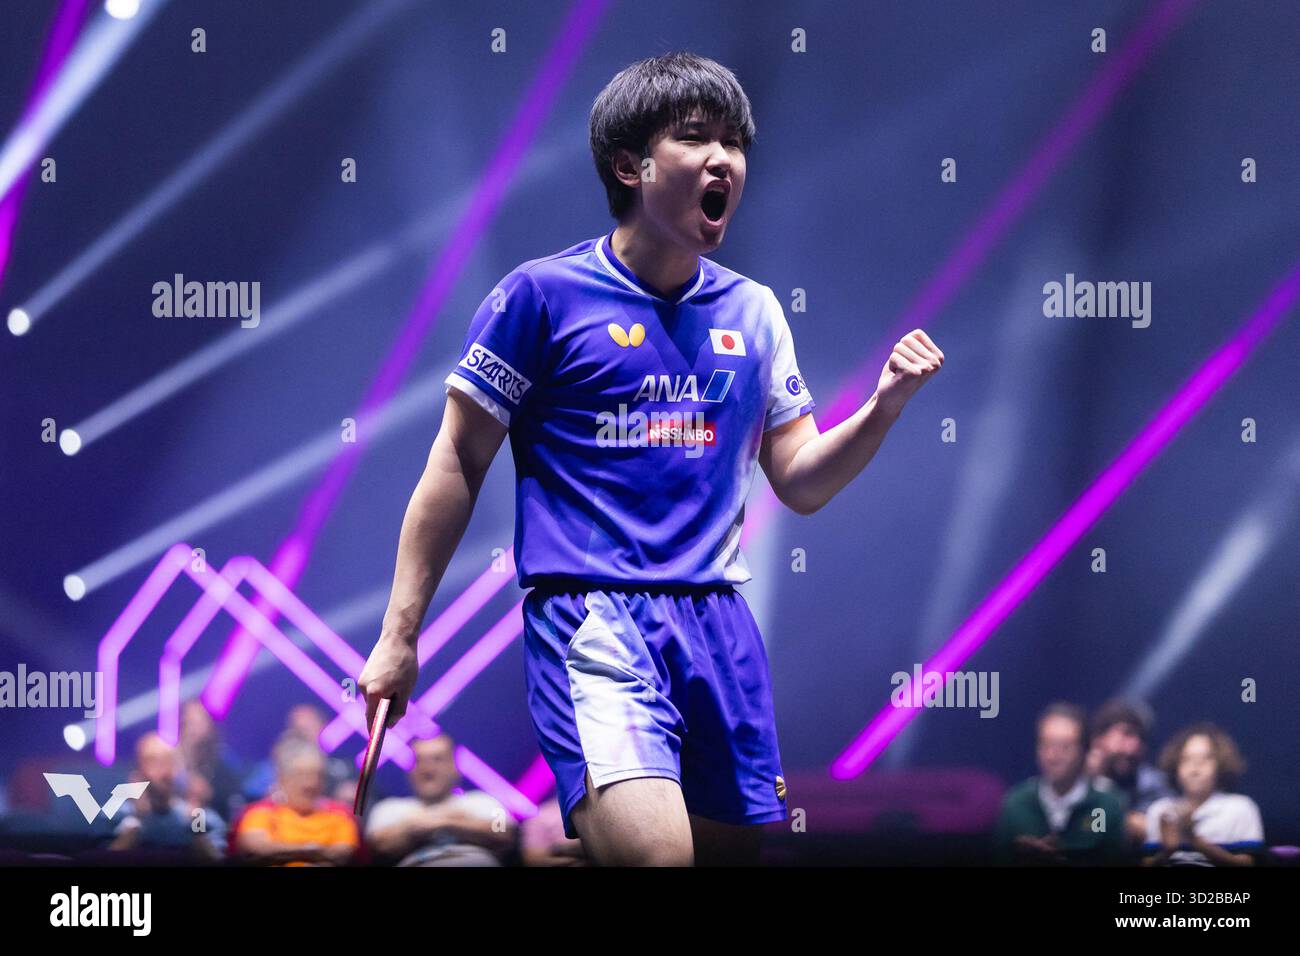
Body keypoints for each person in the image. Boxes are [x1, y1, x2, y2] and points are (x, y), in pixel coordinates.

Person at [359, 52, 944, 866]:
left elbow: (801, 480)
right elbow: (456, 459)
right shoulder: (540, 297)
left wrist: (882, 409)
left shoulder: (755, 311)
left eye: (735, 144)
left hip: (719, 628)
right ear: (629, 165)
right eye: (697, 139)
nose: (724, 161)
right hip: (595, 621)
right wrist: (399, 636)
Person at [993, 703, 1126, 865]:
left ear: (1085, 750)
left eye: (1065, 747)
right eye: (1046, 744)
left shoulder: (1105, 806)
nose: (1053, 756)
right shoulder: (1017, 803)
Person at [365, 734, 515, 866]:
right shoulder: (387, 808)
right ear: (409, 771)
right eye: (419, 761)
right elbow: (378, 845)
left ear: (455, 767)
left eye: (438, 759)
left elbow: (503, 831)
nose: (428, 769)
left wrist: (445, 824)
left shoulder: (486, 801)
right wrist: (462, 821)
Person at [1141, 723, 1263, 867]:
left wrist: (1194, 840)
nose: (1195, 767)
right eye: (1186, 759)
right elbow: (1148, 862)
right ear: (1175, 765)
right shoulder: (1161, 810)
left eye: (1205, 759)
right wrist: (1168, 850)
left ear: (1221, 764)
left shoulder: (1240, 808)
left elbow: (1247, 864)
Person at [233, 739, 359, 866]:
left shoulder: (340, 815)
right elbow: (256, 850)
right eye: (301, 775)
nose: (311, 783)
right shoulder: (260, 813)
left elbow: (341, 855)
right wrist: (313, 852)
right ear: (282, 778)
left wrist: (286, 852)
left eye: (318, 775)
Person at [109, 732, 226, 862]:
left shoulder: (202, 818)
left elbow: (217, 862)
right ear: (138, 771)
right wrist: (137, 819)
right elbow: (103, 861)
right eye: (155, 762)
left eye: (170, 762)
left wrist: (195, 826)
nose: (166, 772)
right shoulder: (116, 815)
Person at [1086, 698, 1174, 845]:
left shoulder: (1155, 785)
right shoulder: (1076, 783)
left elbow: (1157, 831)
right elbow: (1089, 831)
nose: (1134, 747)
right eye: (1127, 734)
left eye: (1141, 738)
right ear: (1098, 740)